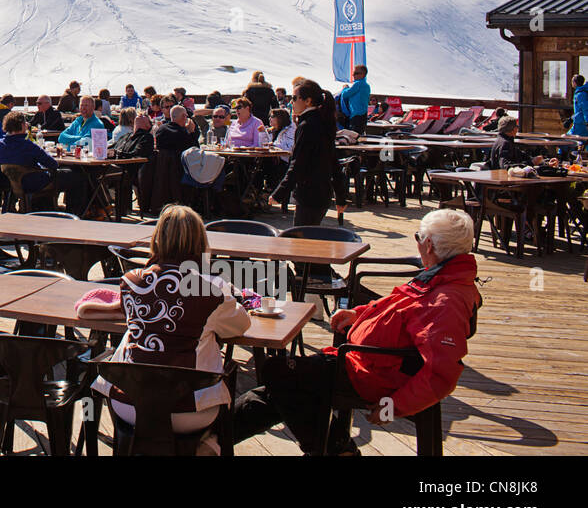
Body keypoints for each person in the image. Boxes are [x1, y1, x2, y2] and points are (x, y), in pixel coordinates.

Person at [234, 209, 480, 455]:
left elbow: (441, 373)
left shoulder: (446, 299)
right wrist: (360, 314)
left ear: (428, 245)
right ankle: (213, 434)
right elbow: (400, 309)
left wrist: (392, 407)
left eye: (417, 237)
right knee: (281, 388)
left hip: (371, 376)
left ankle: (336, 450)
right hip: (364, 364)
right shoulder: (443, 277)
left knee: (278, 373)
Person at [76, 205, 251, 455]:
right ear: (201, 242)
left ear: (156, 240)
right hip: (188, 411)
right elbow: (241, 325)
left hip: (128, 404)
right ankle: (206, 447)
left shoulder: (131, 281)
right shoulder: (212, 289)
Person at [265, 78, 347, 226]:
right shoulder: (322, 121)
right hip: (321, 193)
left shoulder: (307, 125)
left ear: (308, 101)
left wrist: (280, 192)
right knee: (307, 239)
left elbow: (298, 163)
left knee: (301, 241)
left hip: (310, 193)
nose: (291, 102)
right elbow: (333, 162)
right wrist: (340, 196)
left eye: (294, 98)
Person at [336, 64, 371, 134]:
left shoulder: (358, 84)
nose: (353, 75)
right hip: (363, 114)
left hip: (356, 114)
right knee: (359, 133)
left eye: (356, 73)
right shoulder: (367, 86)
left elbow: (346, 94)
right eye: (353, 73)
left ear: (363, 74)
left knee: (353, 134)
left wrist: (344, 88)